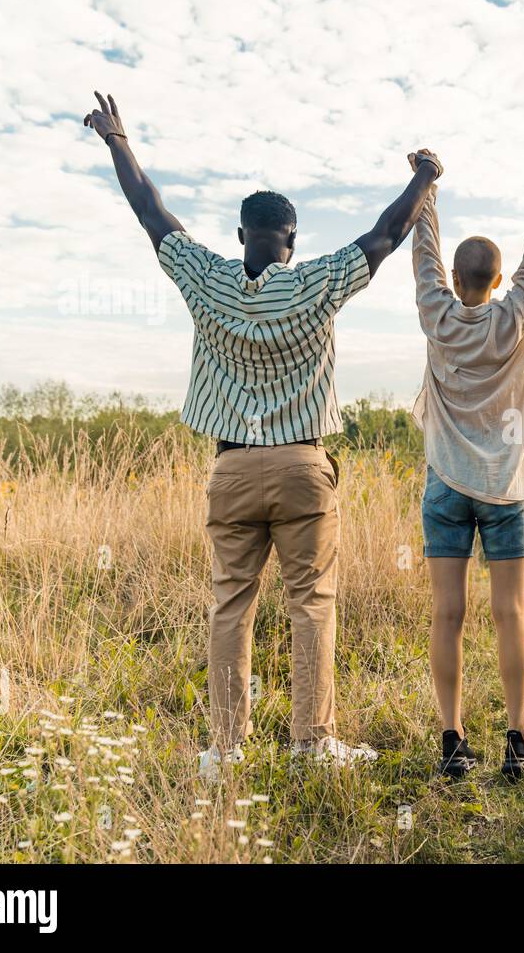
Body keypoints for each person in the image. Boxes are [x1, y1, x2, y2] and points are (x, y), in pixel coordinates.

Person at [82, 91, 443, 780]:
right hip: (305, 468)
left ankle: (226, 749)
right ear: (292, 239)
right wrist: (423, 178)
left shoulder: (206, 278)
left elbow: (151, 211)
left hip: (233, 471)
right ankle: (311, 745)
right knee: (311, 604)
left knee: (230, 605)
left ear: (241, 233)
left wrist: (118, 140)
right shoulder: (318, 281)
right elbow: (385, 236)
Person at [407, 136, 524, 780]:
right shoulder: (515, 316)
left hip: (445, 484)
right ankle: (517, 741)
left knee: (448, 615)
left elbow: (422, 253)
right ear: (496, 281)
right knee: (511, 614)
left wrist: (428, 189)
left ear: (453, 280)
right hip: (506, 490)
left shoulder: (435, 313)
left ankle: (451, 742)